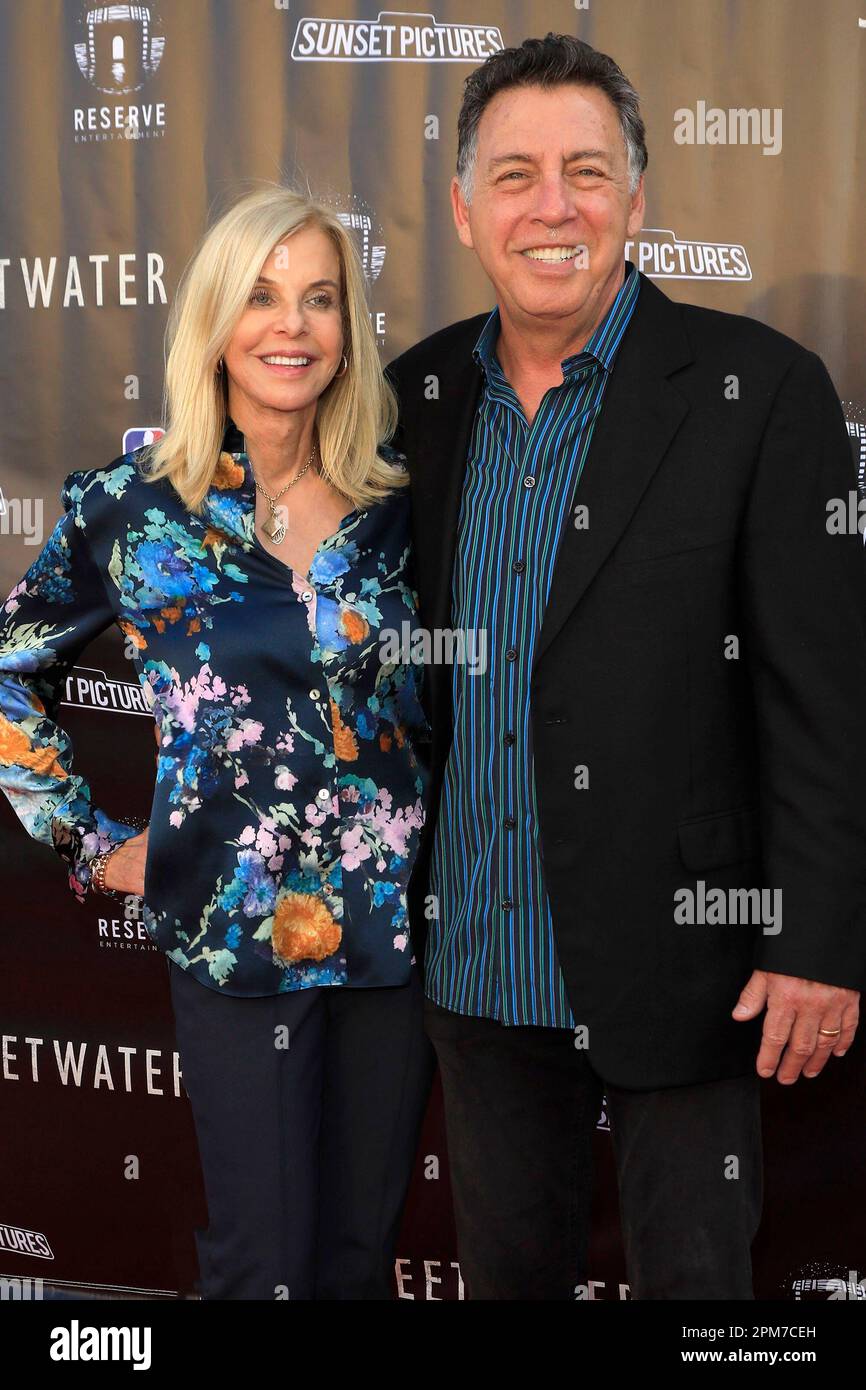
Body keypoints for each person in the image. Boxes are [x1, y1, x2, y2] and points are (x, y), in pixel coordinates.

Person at [386, 34, 866, 1300]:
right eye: (515, 175)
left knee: (699, 1295)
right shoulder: (411, 399)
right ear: (461, 207)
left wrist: (815, 939)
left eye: (587, 172)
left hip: (685, 966)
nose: (553, 207)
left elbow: (823, 695)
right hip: (475, 968)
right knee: (508, 1280)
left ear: (637, 199)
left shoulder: (756, 391)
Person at [0, 184, 435, 1300]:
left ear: (348, 332)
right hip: (233, 943)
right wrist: (90, 839)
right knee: (262, 1265)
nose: (292, 325)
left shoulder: (401, 499)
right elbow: (9, 667)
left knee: (356, 1255)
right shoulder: (132, 507)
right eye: (261, 296)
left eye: (319, 299)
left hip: (393, 940)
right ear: (214, 322)